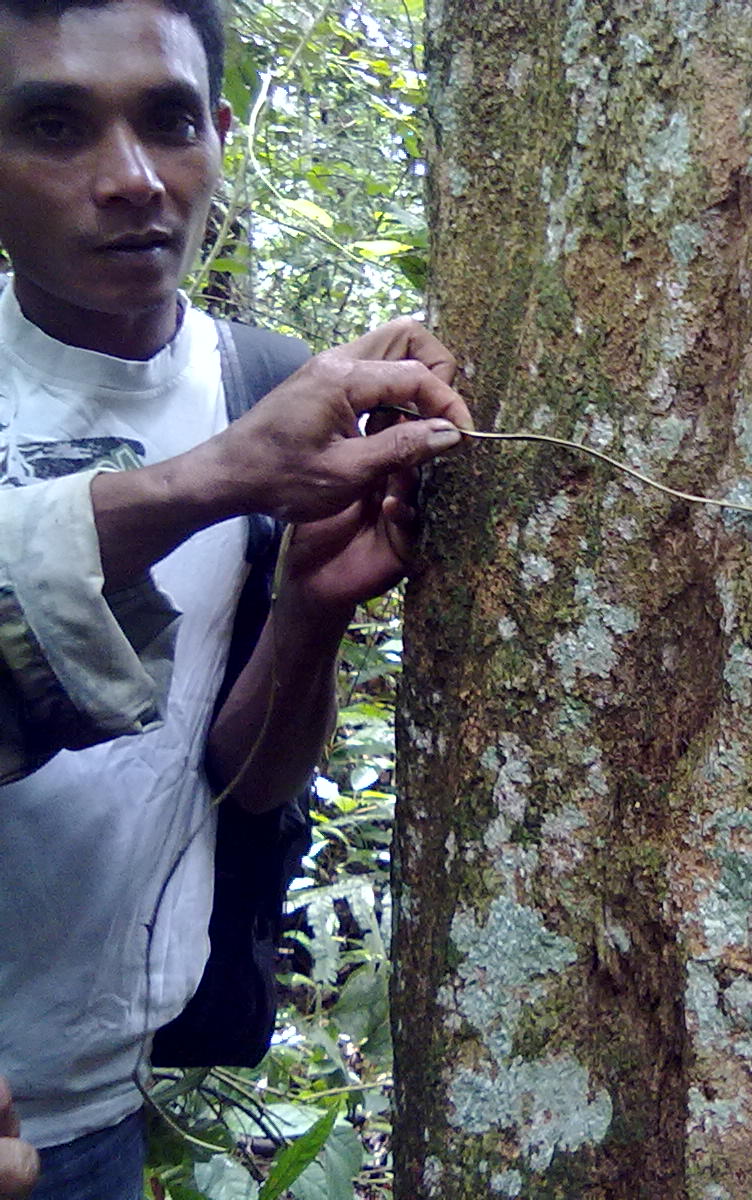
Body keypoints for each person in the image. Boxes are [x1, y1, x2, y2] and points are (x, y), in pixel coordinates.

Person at [0, 0, 473, 1194]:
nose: (130, 180)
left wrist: (310, 613)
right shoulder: (255, 439)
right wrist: (215, 481)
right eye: (54, 126)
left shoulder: (256, 385)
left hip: (104, 1098)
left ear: (218, 133)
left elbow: (236, 783)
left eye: (166, 121)